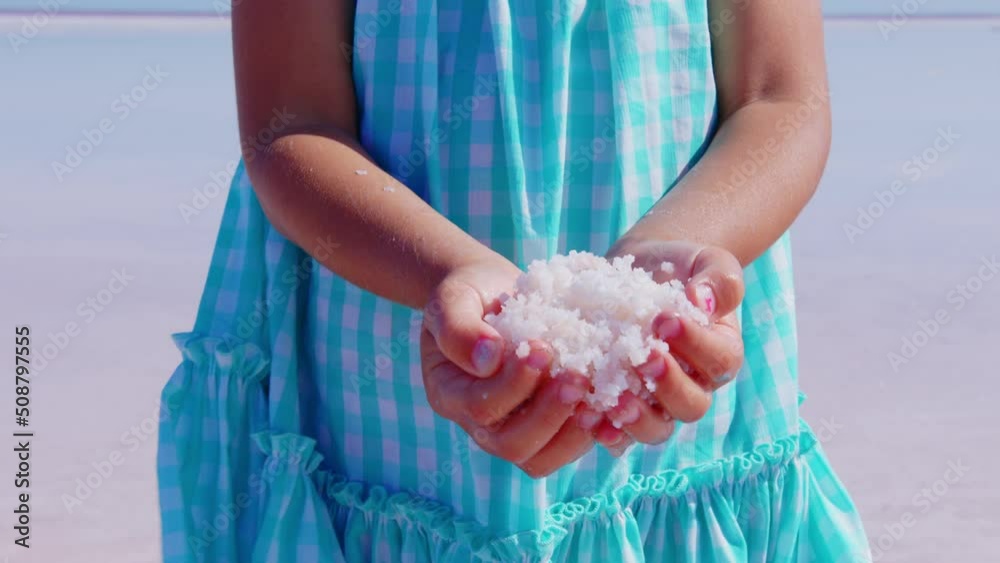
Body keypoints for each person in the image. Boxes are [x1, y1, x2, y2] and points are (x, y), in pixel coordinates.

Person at [158, 0, 871, 560]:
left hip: (689, 415)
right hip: (385, 388)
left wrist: (675, 253)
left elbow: (780, 97)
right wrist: (446, 271)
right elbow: (290, 120)